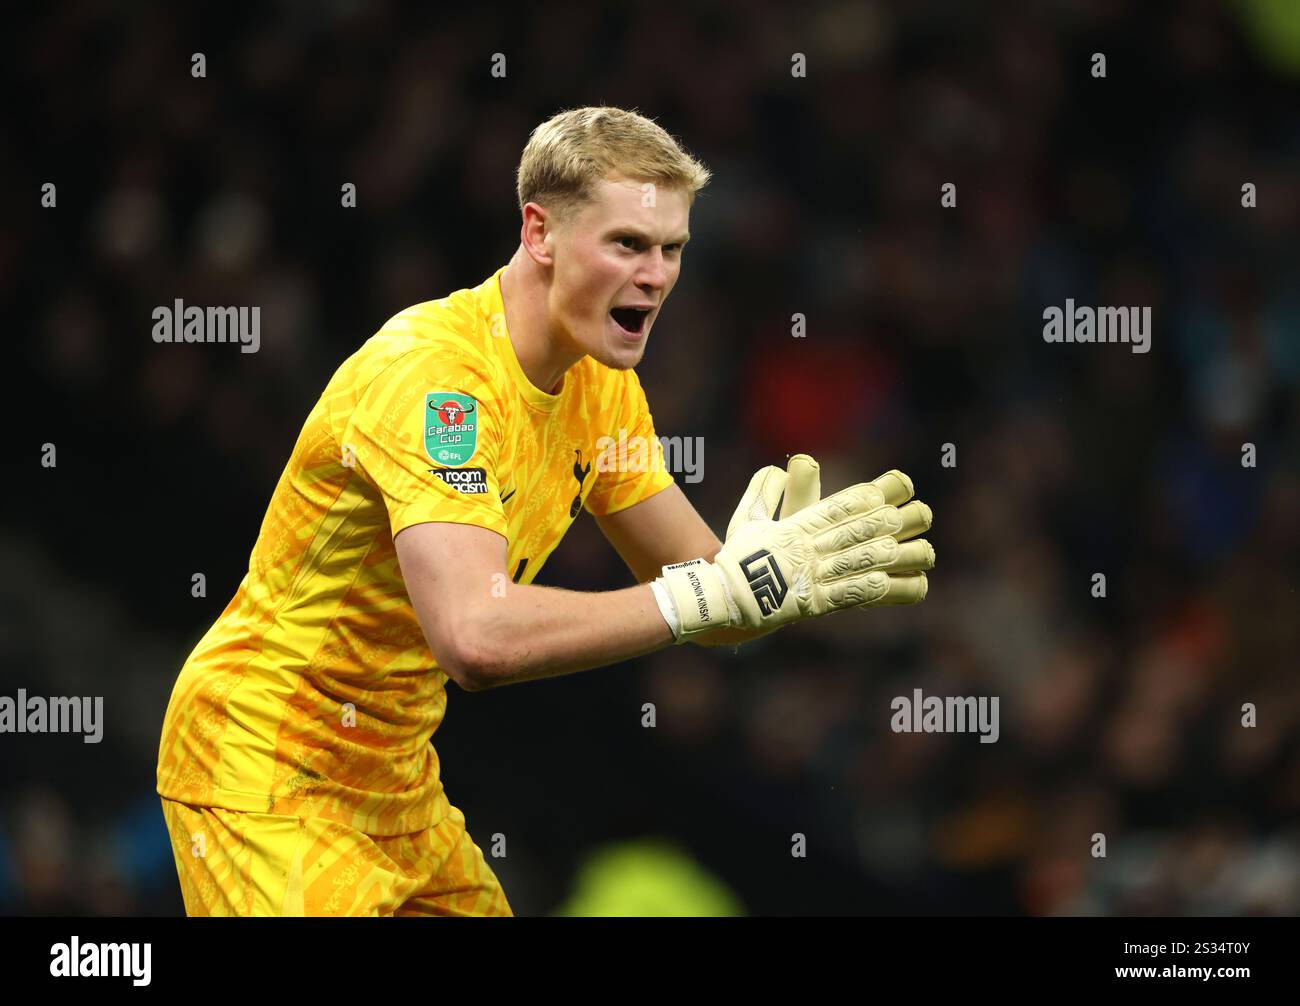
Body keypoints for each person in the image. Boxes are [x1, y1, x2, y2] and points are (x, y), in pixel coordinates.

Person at [156, 106, 935, 916]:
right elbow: (476, 638)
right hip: (263, 763)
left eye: (672, 249)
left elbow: (712, 599)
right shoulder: (439, 383)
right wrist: (712, 595)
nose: (658, 274)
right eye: (629, 244)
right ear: (540, 232)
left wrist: (775, 579)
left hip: (391, 776)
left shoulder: (602, 389)